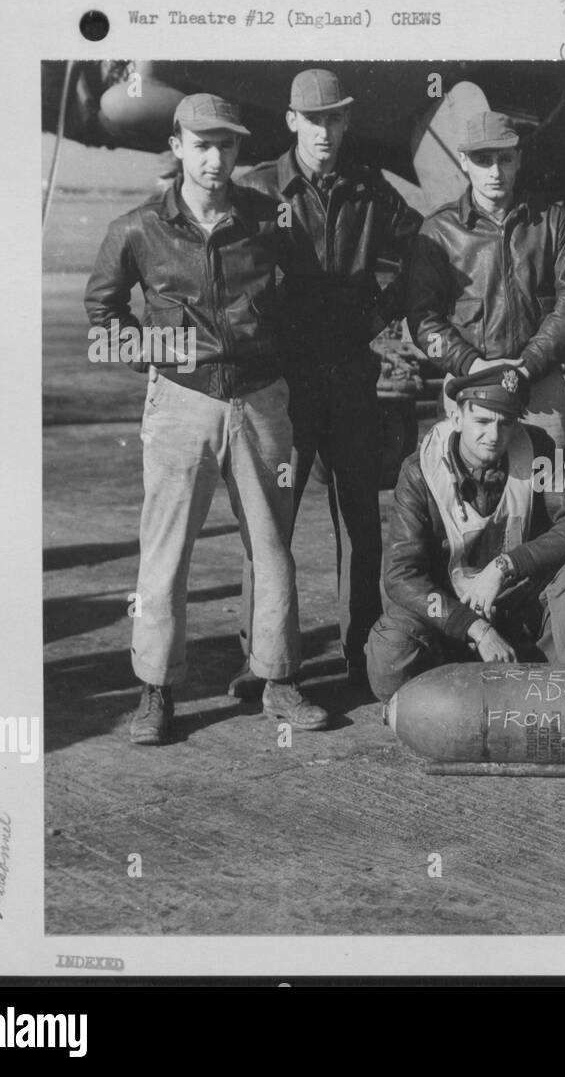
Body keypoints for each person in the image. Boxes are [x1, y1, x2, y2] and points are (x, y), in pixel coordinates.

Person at [84, 93, 325, 744]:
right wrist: (155, 355)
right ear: (177, 146)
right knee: (164, 555)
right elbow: (104, 312)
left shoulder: (270, 221)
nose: (215, 158)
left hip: (261, 401)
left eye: (227, 145)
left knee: (273, 549)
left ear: (240, 150)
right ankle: (156, 691)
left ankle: (278, 679)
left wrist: (280, 369)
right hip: (181, 404)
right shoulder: (137, 228)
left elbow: (302, 302)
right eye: (202, 144)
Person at [233, 69, 422, 694]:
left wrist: (377, 313)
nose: (324, 131)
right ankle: (256, 656)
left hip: (349, 375)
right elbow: (230, 271)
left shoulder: (372, 190)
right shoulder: (258, 188)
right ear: (291, 121)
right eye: (313, 119)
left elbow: (414, 252)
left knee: (360, 519)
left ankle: (360, 651)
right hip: (283, 383)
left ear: (346, 122)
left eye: (335, 119)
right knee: (271, 520)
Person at [366, 365, 565, 702]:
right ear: (457, 418)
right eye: (482, 422)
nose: (495, 436)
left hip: (517, 607)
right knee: (390, 652)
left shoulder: (538, 447)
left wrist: (506, 565)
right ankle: (463, 680)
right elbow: (399, 574)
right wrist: (474, 627)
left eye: (505, 422)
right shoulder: (419, 469)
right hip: (448, 615)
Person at [407, 110, 565, 450]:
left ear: (518, 160)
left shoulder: (552, 223)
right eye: (483, 159)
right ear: (463, 161)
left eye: (504, 159)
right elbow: (423, 319)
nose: (495, 171)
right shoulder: (438, 231)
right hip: (468, 385)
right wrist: (470, 363)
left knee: (550, 494)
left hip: (540, 387)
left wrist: (529, 365)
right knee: (466, 496)